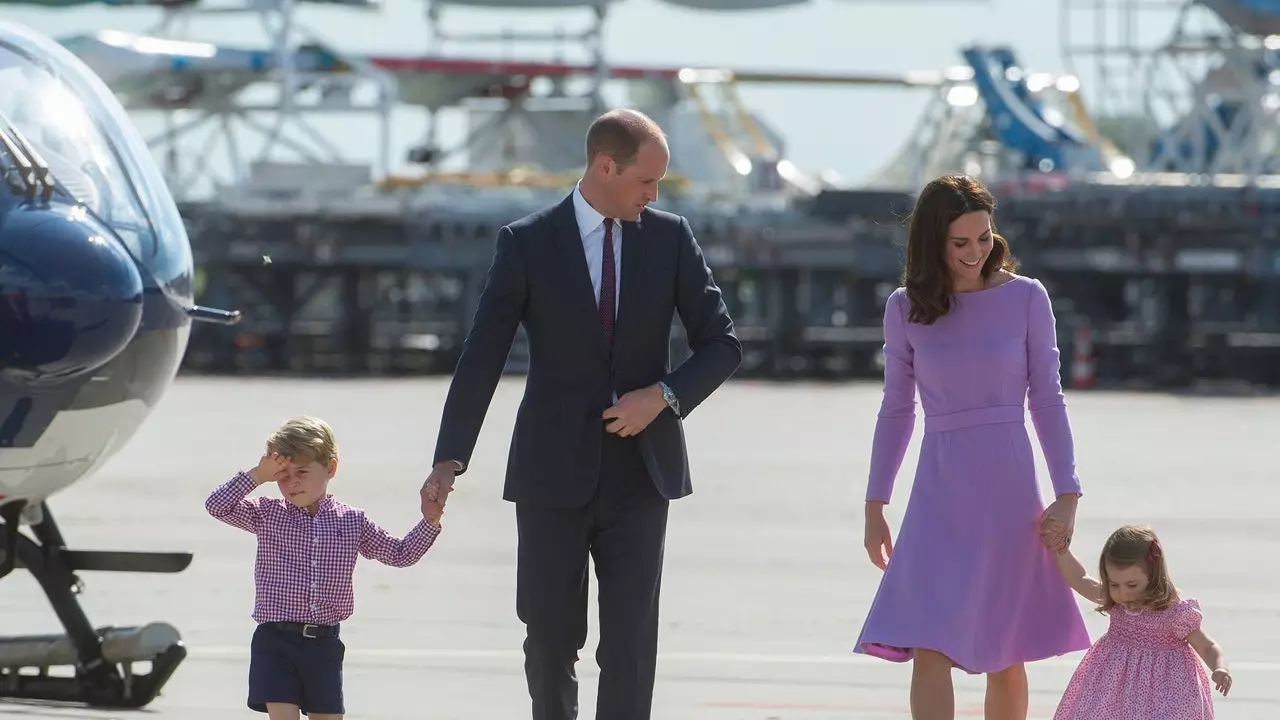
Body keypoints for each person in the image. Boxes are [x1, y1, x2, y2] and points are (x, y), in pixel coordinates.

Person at [419, 107, 742, 720]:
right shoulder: (527, 243)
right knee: (548, 641)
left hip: (642, 476)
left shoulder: (671, 238)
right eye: (646, 181)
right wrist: (448, 459)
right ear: (605, 166)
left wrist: (663, 397)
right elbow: (481, 356)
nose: (655, 194)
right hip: (550, 475)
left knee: (630, 648)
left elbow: (722, 343)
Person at [855, 173, 1091, 720]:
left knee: (1006, 648)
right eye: (959, 242)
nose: (974, 252)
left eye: (983, 237)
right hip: (938, 493)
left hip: (1010, 487)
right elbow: (896, 409)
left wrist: (1068, 492)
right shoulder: (904, 307)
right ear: (932, 242)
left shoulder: (1027, 298)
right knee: (929, 641)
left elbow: (1048, 400)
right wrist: (875, 506)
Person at [205, 415, 443, 720]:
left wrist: (430, 520)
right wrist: (257, 475)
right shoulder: (266, 514)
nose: (292, 483)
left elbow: (400, 554)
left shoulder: (352, 521)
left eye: (302, 472)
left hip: (324, 645)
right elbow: (217, 506)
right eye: (282, 475)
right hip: (274, 641)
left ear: (330, 468)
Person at [1047, 524, 1231, 719]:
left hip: (1166, 694)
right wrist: (1062, 549)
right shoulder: (1116, 602)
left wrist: (1220, 668)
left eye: (1131, 584)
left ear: (1153, 575)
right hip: (1113, 689)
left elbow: (1208, 646)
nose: (1123, 592)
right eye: (1114, 584)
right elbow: (1080, 578)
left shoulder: (1174, 613)